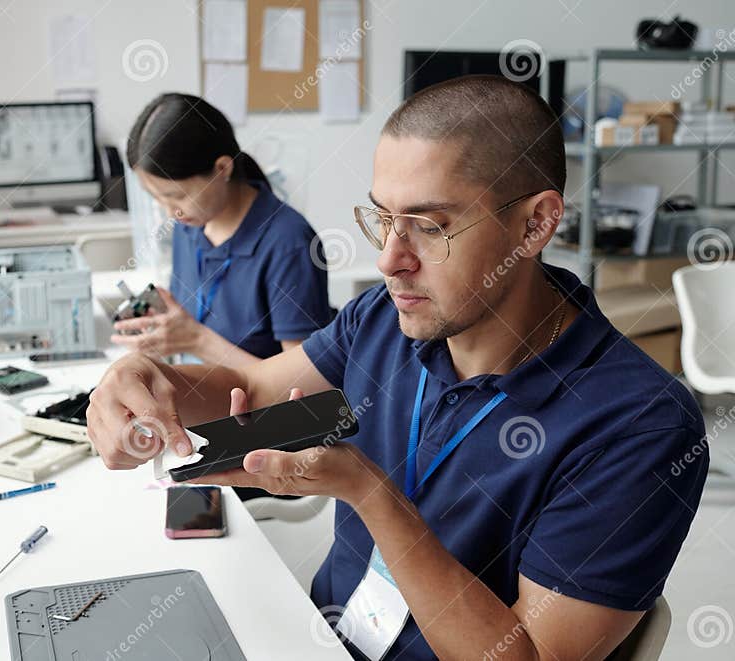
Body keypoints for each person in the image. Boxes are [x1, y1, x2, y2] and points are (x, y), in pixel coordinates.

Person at [86, 75, 707, 660]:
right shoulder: (385, 318)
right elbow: (254, 387)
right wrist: (150, 380)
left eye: (430, 226)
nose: (389, 259)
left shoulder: (638, 424)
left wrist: (371, 493)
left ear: (536, 223)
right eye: (383, 217)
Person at [113, 93, 332, 368]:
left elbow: (304, 383)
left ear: (222, 169)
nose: (170, 212)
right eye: (157, 199)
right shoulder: (190, 226)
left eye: (177, 197)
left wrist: (196, 341)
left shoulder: (290, 243)